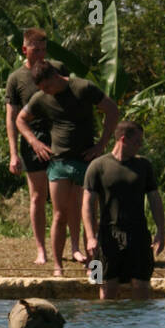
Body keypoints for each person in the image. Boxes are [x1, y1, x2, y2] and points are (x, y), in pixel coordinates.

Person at [16, 63, 118, 277]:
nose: (45, 92)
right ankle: (57, 267)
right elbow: (20, 120)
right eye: (41, 89)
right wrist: (34, 142)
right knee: (59, 215)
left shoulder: (82, 87)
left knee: (89, 216)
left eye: (47, 87)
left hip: (85, 160)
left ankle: (95, 268)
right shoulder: (41, 97)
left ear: (55, 76)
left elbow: (112, 109)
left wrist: (101, 145)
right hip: (59, 162)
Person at [83, 121, 165, 300]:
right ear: (123, 139)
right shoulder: (97, 166)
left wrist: (161, 231)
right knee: (104, 286)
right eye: (137, 141)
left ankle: (139, 326)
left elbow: (154, 199)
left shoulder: (144, 165)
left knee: (142, 284)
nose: (140, 146)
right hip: (107, 235)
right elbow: (87, 204)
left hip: (139, 234)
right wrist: (90, 237)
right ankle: (107, 325)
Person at [5, 27, 60, 265]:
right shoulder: (16, 78)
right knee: (38, 197)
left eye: (43, 50)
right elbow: (11, 116)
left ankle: (71, 246)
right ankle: (41, 250)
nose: (39, 55)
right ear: (24, 50)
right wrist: (13, 153)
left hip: (59, 139)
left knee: (63, 198)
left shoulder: (57, 69)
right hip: (30, 140)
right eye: (34, 50)